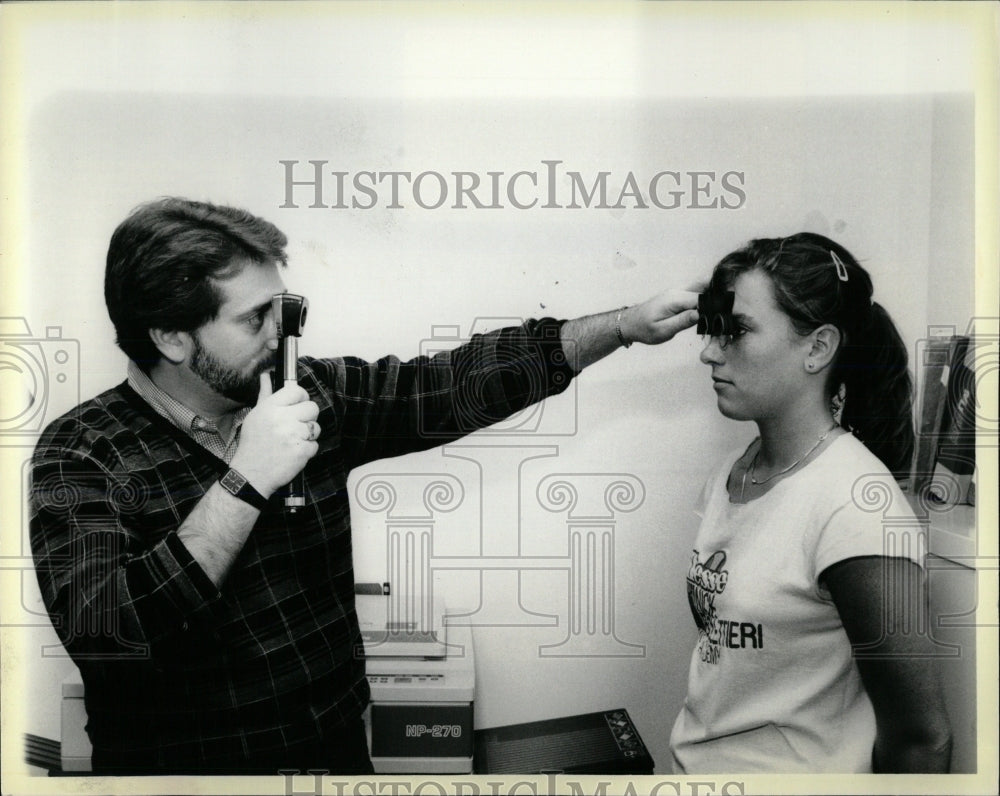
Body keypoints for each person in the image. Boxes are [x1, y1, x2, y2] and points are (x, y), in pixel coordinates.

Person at [29, 197, 698, 775]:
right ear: (172, 338)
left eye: (286, 310)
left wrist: (620, 328)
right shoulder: (81, 452)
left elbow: (447, 385)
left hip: (334, 755)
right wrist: (247, 478)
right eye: (256, 319)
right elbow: (109, 639)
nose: (284, 336)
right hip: (186, 777)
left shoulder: (305, 393)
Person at [669, 233, 953, 773]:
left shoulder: (855, 508)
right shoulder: (730, 475)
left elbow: (922, 739)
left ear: (818, 348)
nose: (709, 351)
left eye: (738, 331)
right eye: (713, 331)